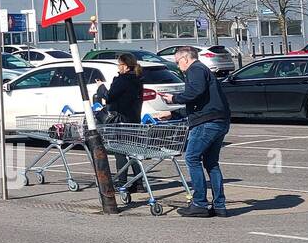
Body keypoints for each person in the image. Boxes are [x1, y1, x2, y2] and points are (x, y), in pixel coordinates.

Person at [155, 45, 231, 217]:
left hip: (207, 123)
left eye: (177, 62)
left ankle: (200, 204)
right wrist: (173, 112)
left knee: (192, 157)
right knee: (211, 163)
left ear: (185, 59)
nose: (178, 66)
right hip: (218, 120)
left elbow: (194, 93)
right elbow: (200, 102)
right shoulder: (203, 70)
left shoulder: (195, 69)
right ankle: (219, 205)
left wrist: (173, 98)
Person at [98, 53, 144, 188]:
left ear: (125, 66)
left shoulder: (122, 80)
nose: (118, 67)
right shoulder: (138, 79)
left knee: (120, 152)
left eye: (119, 64)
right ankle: (139, 183)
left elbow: (109, 97)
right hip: (134, 119)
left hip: (120, 120)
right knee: (133, 151)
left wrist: (101, 87)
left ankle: (123, 182)